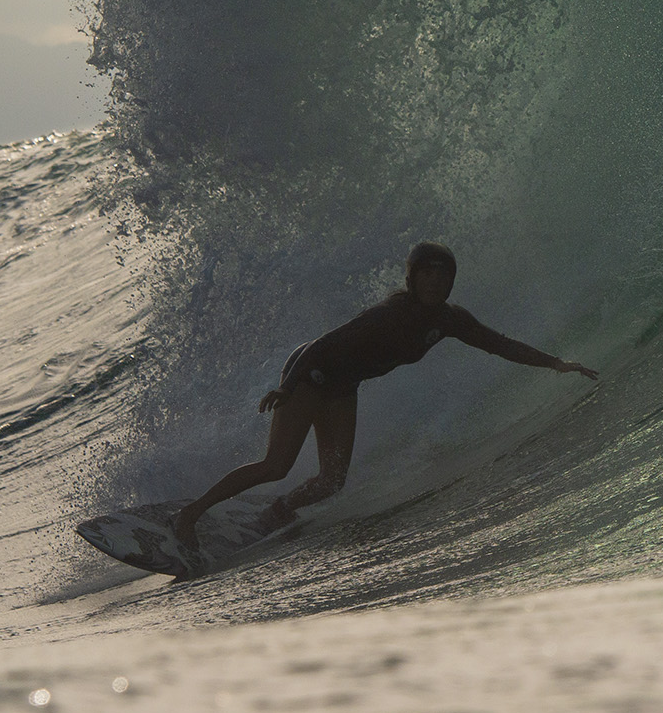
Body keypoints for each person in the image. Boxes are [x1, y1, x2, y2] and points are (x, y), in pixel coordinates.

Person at [172, 241, 595, 562]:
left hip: (343, 387)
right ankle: (189, 515)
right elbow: (322, 344)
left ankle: (281, 509)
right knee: (276, 466)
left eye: (443, 275)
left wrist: (556, 363)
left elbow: (499, 344)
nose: (435, 281)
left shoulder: (449, 319)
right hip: (310, 376)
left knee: (332, 481)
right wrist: (288, 385)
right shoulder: (389, 314)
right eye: (426, 273)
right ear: (412, 279)